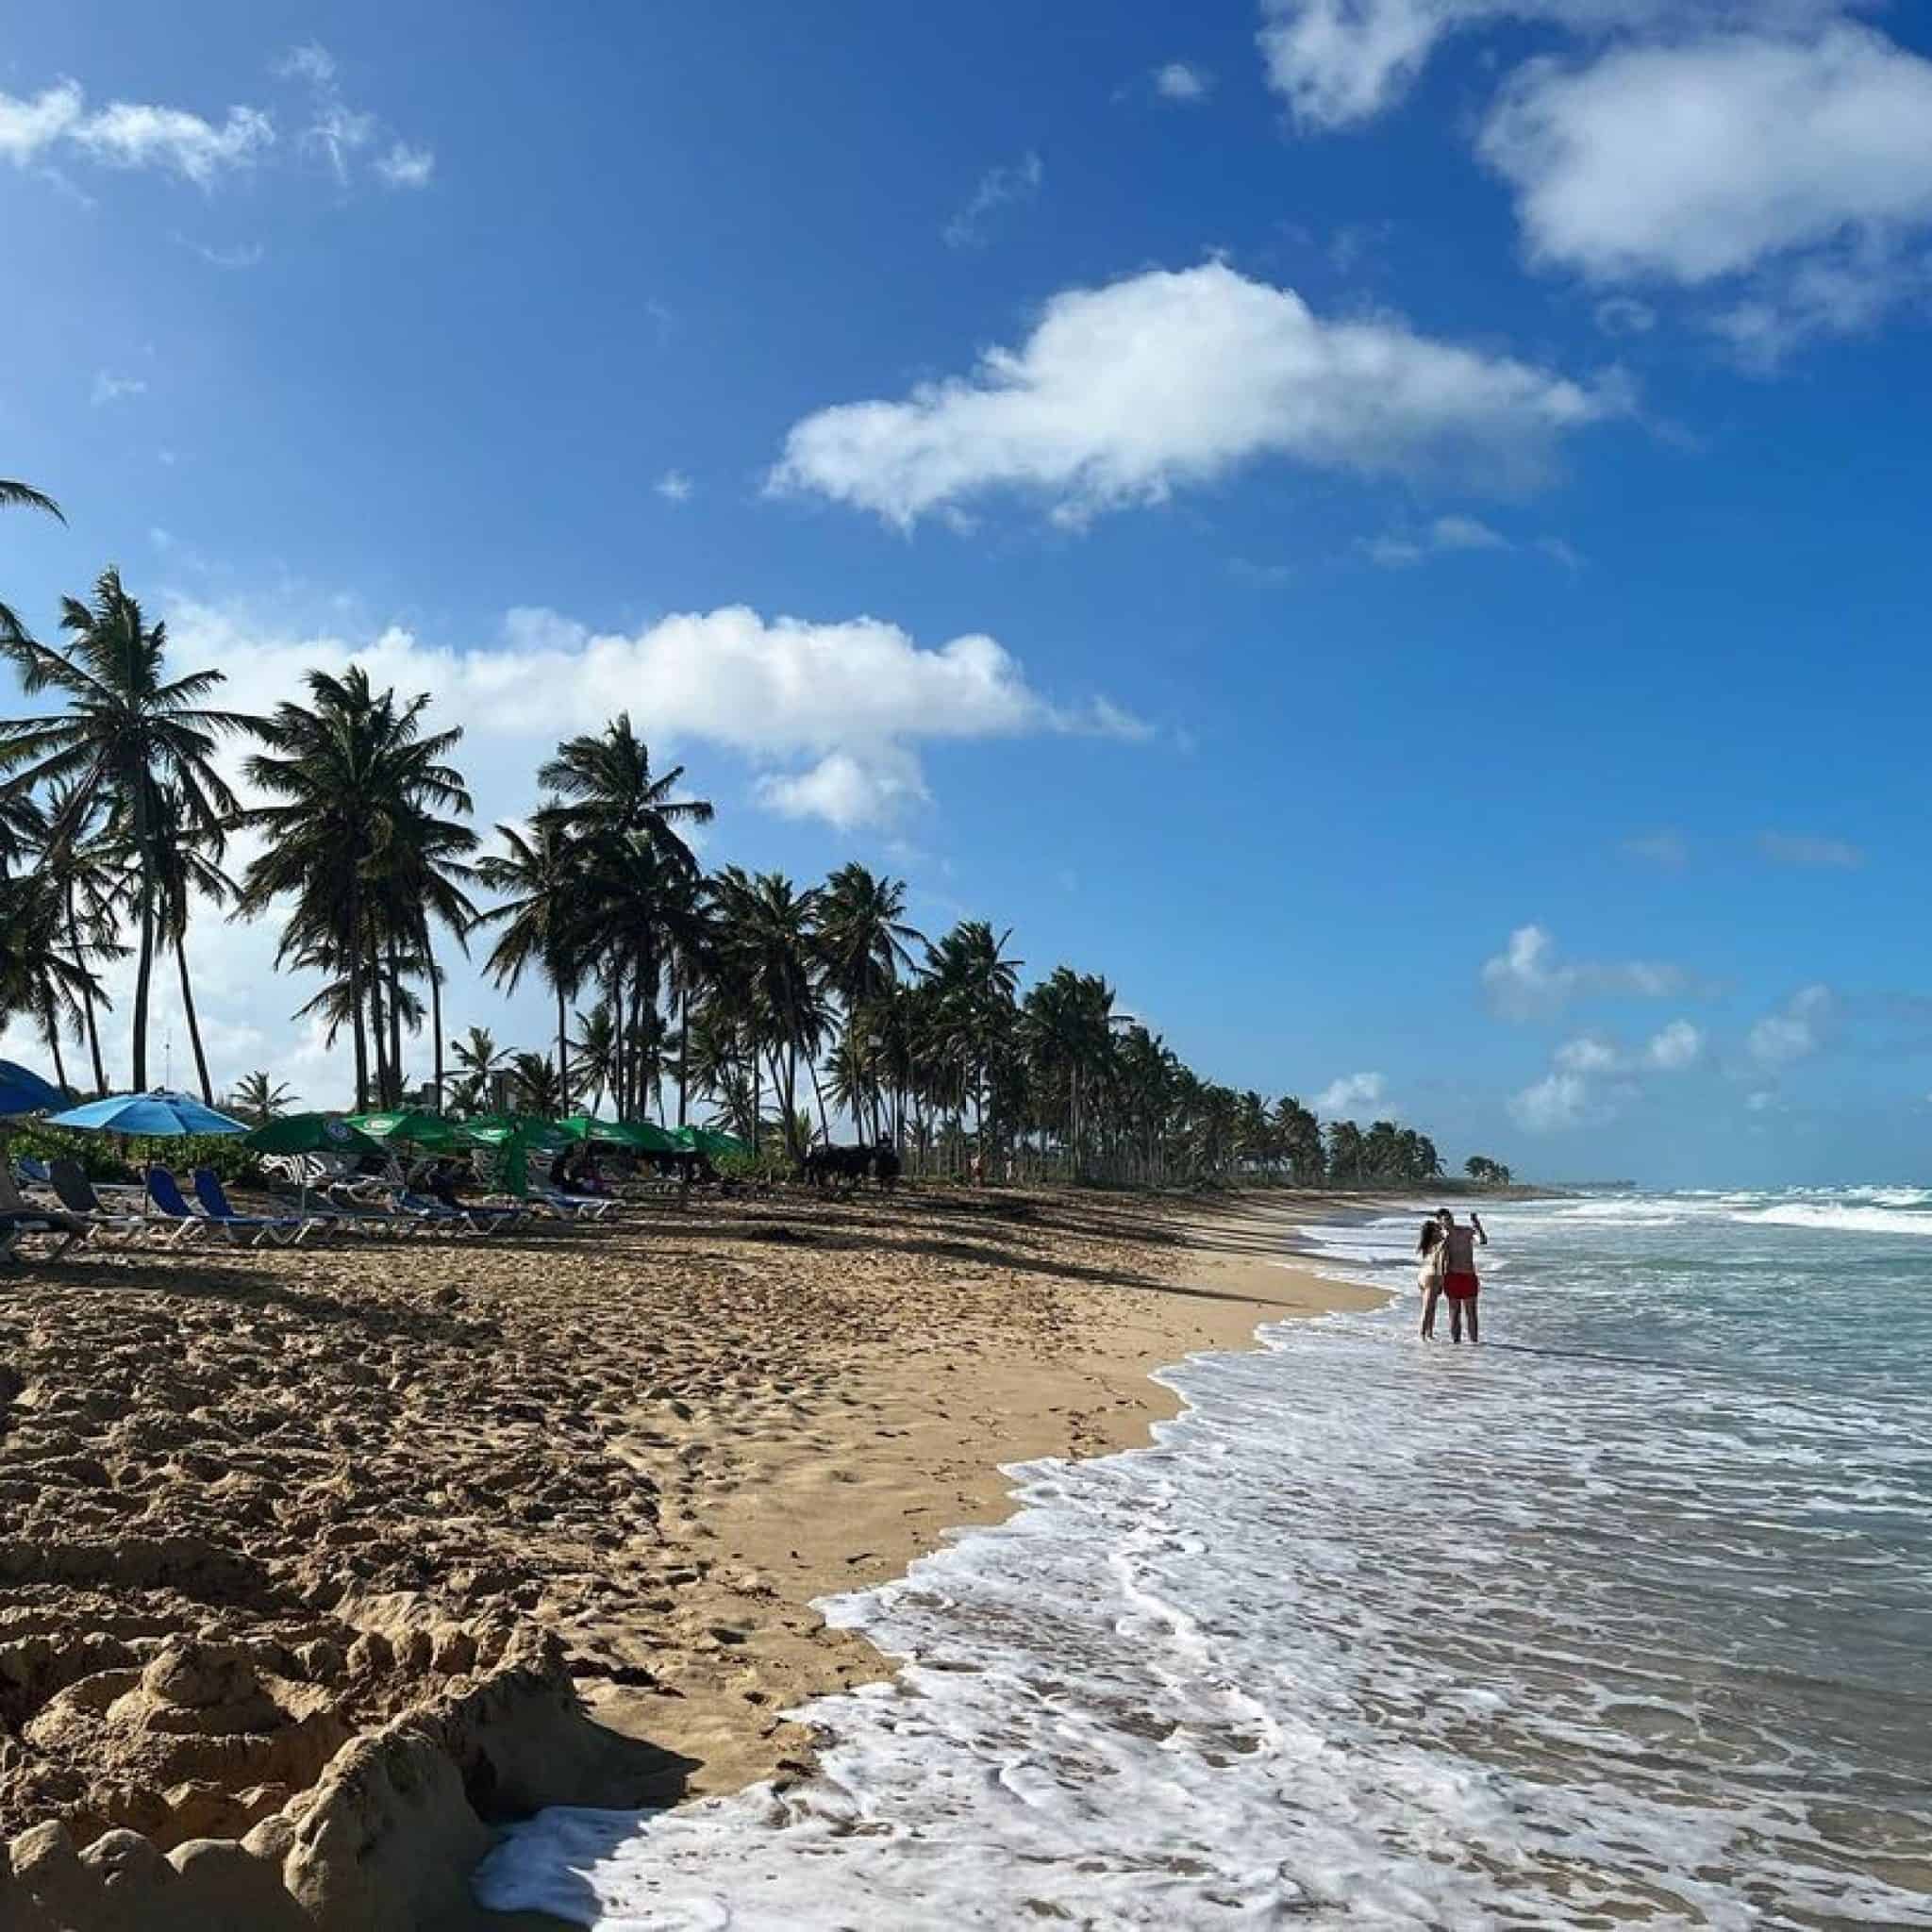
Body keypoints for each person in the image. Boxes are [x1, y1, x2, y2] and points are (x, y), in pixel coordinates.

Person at [1437, 1208, 1488, 1344]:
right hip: (1452, 1277)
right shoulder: (1442, 1238)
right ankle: (1456, 1345)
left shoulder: (1466, 1231)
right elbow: (1438, 1259)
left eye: (1450, 1218)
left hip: (1469, 1276)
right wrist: (1440, 1280)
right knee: (1454, 1313)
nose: (1449, 1221)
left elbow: (1482, 1241)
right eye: (1445, 1219)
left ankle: (1474, 1344)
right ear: (1440, 1223)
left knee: (1471, 1313)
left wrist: (1477, 1225)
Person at [1416, 1216, 1447, 1340]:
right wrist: (1442, 1279)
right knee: (1429, 1308)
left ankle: (1428, 1334)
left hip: (1422, 1275)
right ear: (1433, 1233)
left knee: (1429, 1307)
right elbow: (1440, 1265)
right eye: (1437, 1230)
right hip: (1433, 1275)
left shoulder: (1425, 1245)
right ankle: (1422, 1335)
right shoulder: (1439, 1245)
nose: (1440, 1232)